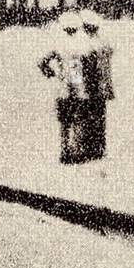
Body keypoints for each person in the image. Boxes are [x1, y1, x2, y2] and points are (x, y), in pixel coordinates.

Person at [39, 10, 89, 164]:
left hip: (62, 87)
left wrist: (51, 73)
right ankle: (76, 150)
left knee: (65, 122)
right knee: (77, 119)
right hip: (77, 85)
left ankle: (65, 150)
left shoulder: (58, 43)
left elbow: (42, 62)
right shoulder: (81, 44)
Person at [78, 9, 115, 160]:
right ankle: (99, 147)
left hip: (90, 84)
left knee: (87, 116)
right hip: (101, 85)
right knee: (99, 116)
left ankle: (89, 147)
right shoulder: (102, 42)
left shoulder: (84, 43)